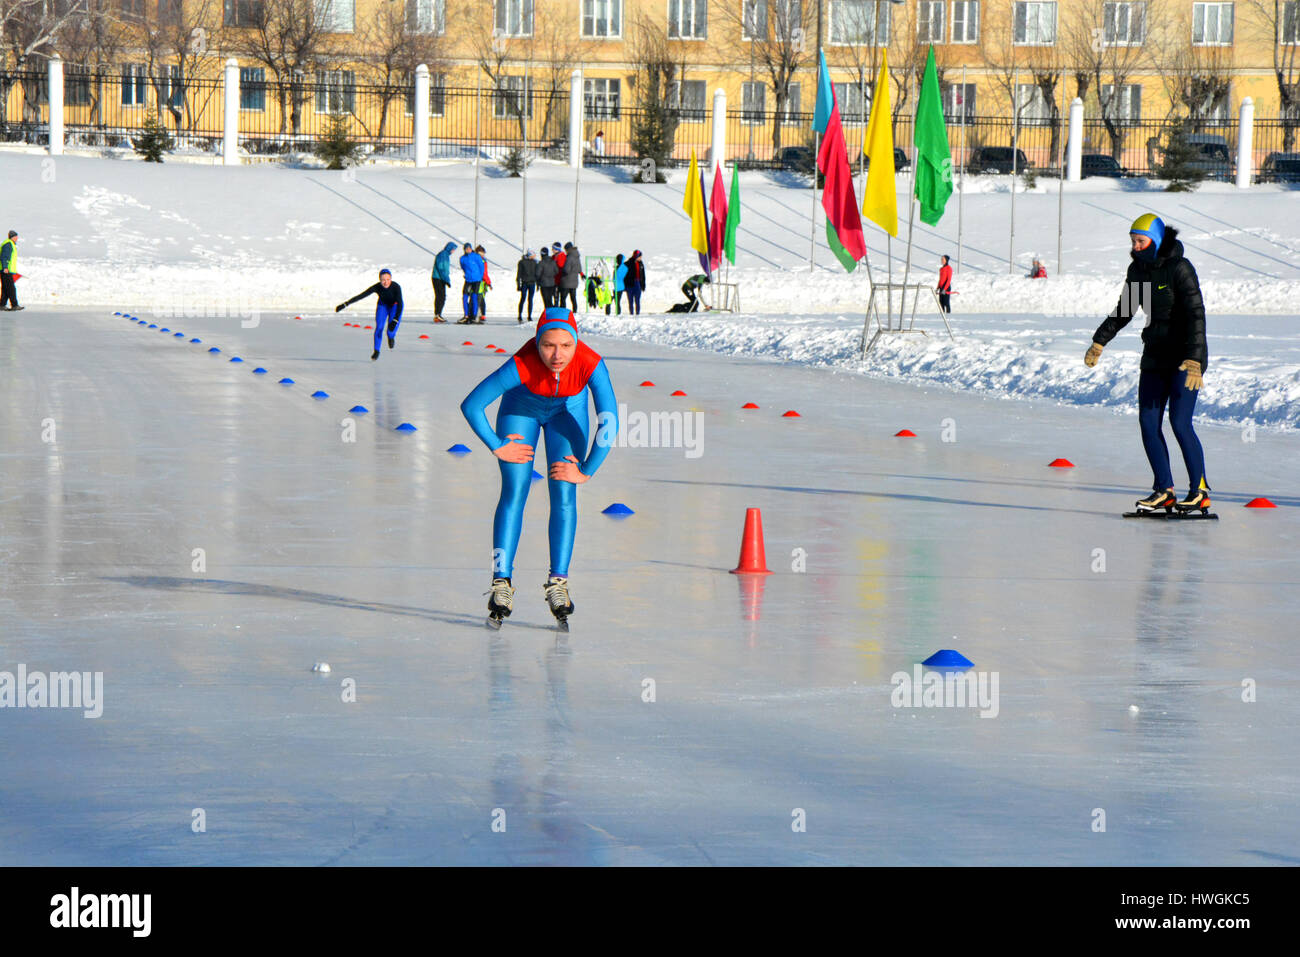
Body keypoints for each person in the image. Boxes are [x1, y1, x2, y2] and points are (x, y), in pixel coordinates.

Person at [459, 307, 619, 626]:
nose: (557, 355)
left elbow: (610, 422)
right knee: (514, 489)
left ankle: (558, 583)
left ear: (576, 343)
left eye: (565, 345)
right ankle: (501, 582)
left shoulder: (591, 363)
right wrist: (496, 444)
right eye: (548, 345)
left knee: (564, 493)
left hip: (567, 413)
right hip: (522, 409)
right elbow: (472, 404)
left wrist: (586, 470)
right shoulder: (522, 363)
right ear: (537, 342)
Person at [1085, 213, 1211, 513]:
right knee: (1147, 423)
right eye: (1133, 242)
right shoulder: (1139, 270)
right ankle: (1164, 490)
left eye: (1141, 241)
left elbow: (1196, 314)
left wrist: (1195, 358)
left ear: (1155, 240)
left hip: (1184, 359)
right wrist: (1099, 340)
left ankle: (1199, 491)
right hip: (1155, 355)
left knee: (1180, 423)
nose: (1136, 247)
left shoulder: (1179, 268)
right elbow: (1125, 310)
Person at [336, 268, 403, 360]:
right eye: (383, 280)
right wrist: (345, 304)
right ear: (380, 280)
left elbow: (400, 303)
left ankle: (391, 337)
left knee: (390, 331)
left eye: (388, 280)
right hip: (383, 306)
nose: (386, 282)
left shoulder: (396, 287)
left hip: (395, 306)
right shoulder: (377, 287)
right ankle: (376, 351)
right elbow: (361, 296)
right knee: (379, 327)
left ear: (391, 279)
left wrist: (395, 319)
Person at [458, 242, 485, 324]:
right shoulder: (462, 258)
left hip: (476, 280)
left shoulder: (476, 256)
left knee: (474, 297)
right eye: (466, 249)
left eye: (469, 248)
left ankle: (473, 315)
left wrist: (480, 277)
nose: (468, 250)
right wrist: (466, 274)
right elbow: (463, 267)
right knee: (465, 296)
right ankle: (466, 315)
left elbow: (481, 266)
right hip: (468, 279)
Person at [431, 241, 457, 322]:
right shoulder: (443, 255)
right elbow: (441, 268)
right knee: (441, 296)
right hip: (438, 278)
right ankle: (437, 314)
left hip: (440, 278)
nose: (453, 251)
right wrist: (446, 279)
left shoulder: (445, 255)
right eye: (453, 249)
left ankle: (438, 314)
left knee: (441, 296)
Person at [559, 242, 583, 312]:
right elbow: (579, 269)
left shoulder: (569, 257)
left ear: (567, 249)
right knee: (573, 298)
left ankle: (563, 312)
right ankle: (575, 311)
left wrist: (562, 271)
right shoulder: (577, 257)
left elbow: (566, 269)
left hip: (566, 281)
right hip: (574, 281)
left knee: (563, 298)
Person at [516, 249, 539, 324]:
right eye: (533, 255)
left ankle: (529, 316)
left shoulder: (535, 263)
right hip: (525, 283)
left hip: (532, 283)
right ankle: (520, 315)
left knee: (530, 299)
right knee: (523, 299)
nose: (534, 256)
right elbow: (519, 274)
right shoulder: (522, 262)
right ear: (530, 255)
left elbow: (537, 274)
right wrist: (518, 285)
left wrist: (537, 284)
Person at [1, 230, 21, 311]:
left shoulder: (11, 244)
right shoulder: (8, 244)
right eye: (15, 236)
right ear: (12, 237)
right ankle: (14, 305)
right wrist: (5, 267)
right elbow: (4, 256)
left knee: (6, 288)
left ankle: (2, 305)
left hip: (7, 270)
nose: (17, 238)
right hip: (6, 270)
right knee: (11, 288)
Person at [625, 250, 645, 315]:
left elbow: (643, 275)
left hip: (638, 283)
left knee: (637, 300)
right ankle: (631, 313)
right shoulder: (628, 263)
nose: (641, 258)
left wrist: (643, 285)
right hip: (630, 284)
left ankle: (637, 313)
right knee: (630, 301)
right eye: (640, 256)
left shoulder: (641, 264)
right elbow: (625, 275)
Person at [476, 245, 491, 323]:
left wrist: (488, 282)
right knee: (480, 298)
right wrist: (488, 282)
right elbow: (484, 273)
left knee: (480, 298)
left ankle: (481, 314)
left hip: (481, 282)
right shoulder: (481, 261)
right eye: (482, 252)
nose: (483, 254)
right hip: (481, 282)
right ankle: (481, 314)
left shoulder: (482, 260)